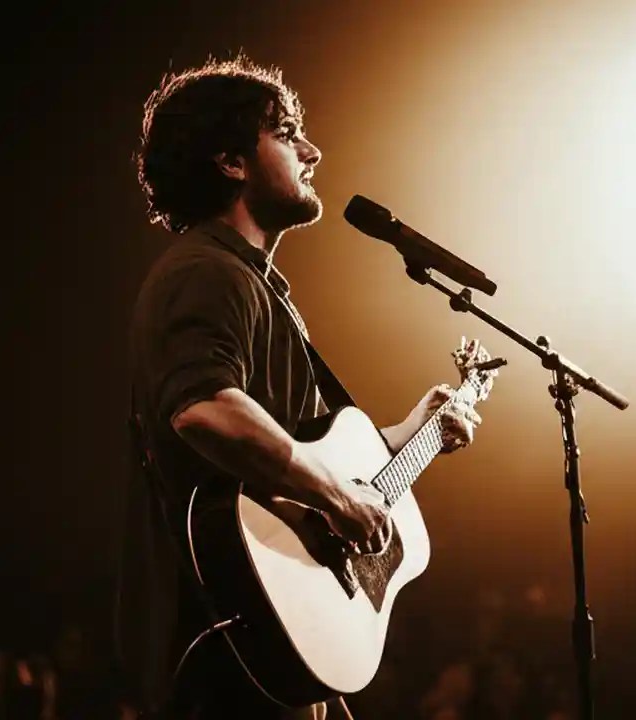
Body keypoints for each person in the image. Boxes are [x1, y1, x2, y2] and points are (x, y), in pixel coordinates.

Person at [117, 56, 484, 720]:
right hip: (230, 658)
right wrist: (338, 496)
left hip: (277, 653)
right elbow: (205, 411)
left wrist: (420, 430)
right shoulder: (206, 271)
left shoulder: (250, 285)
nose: (312, 150)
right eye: (287, 131)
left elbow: (311, 458)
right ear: (231, 161)